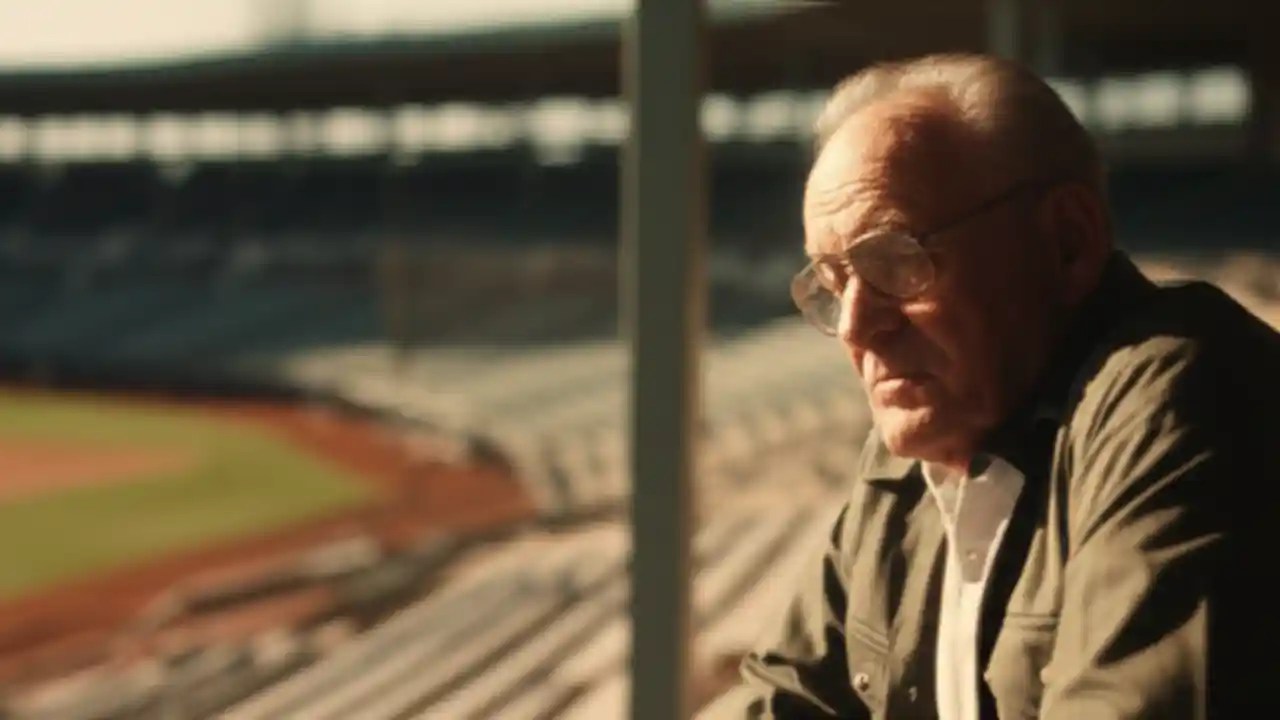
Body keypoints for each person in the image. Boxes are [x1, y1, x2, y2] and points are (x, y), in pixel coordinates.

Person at [699, 53, 1280, 719]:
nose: (856, 327)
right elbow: (785, 698)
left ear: (1068, 241)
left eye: (896, 261)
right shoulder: (911, 462)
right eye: (833, 282)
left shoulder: (1183, 394)